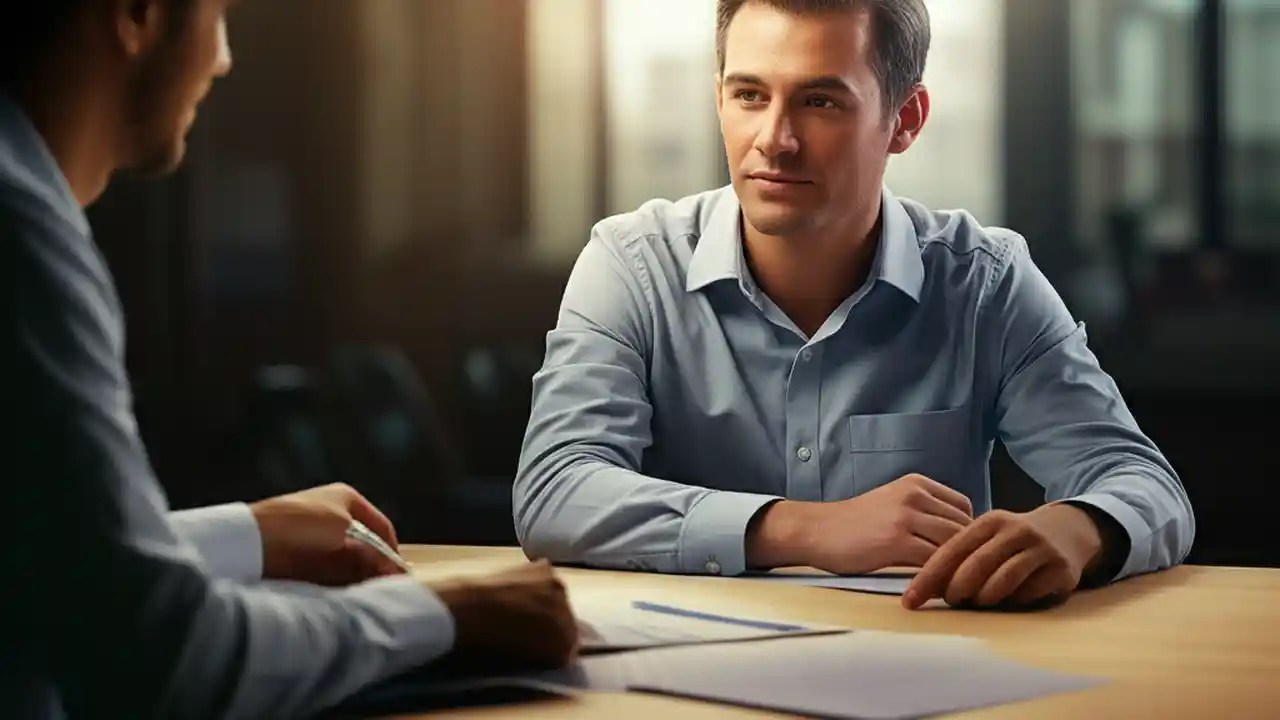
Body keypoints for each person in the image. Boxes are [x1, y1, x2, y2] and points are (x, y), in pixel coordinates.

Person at [514, 0, 1194, 612]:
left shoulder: (984, 282)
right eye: (749, 95)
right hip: (675, 670)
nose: (774, 139)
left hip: (921, 663)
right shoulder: (633, 266)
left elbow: (1143, 484)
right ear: (719, 98)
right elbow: (555, 490)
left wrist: (1076, 531)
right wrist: (808, 528)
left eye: (821, 102)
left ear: (906, 120)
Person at [1, 0, 577, 717]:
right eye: (218, 13)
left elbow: (54, 575)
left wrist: (248, 534)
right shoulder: (21, 238)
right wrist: (447, 615)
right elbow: (165, 657)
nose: (222, 59)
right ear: (138, 12)